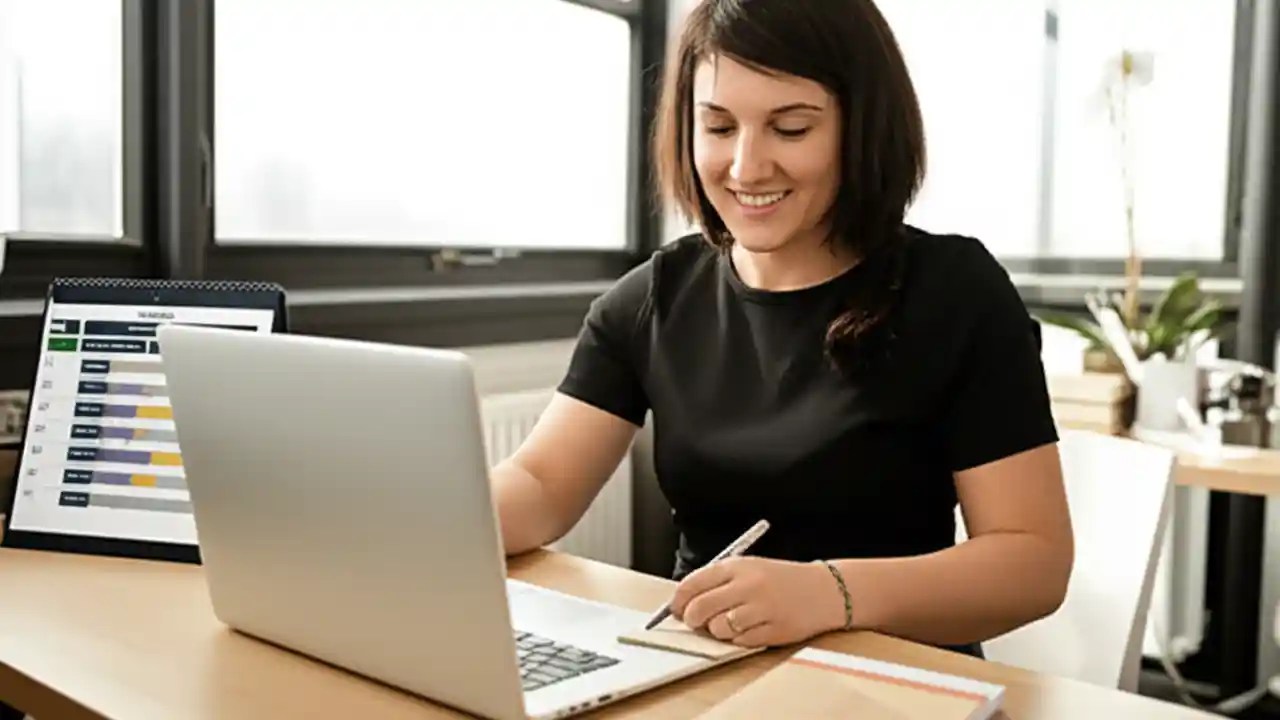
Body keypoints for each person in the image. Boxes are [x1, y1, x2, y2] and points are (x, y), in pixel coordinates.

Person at [490, 0, 1072, 658]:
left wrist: (829, 595)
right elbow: (540, 484)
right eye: (717, 127)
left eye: (790, 128)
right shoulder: (654, 300)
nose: (745, 167)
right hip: (701, 667)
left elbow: (1033, 563)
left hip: (894, 682)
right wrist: (417, 518)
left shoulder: (954, 292)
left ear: (862, 128)